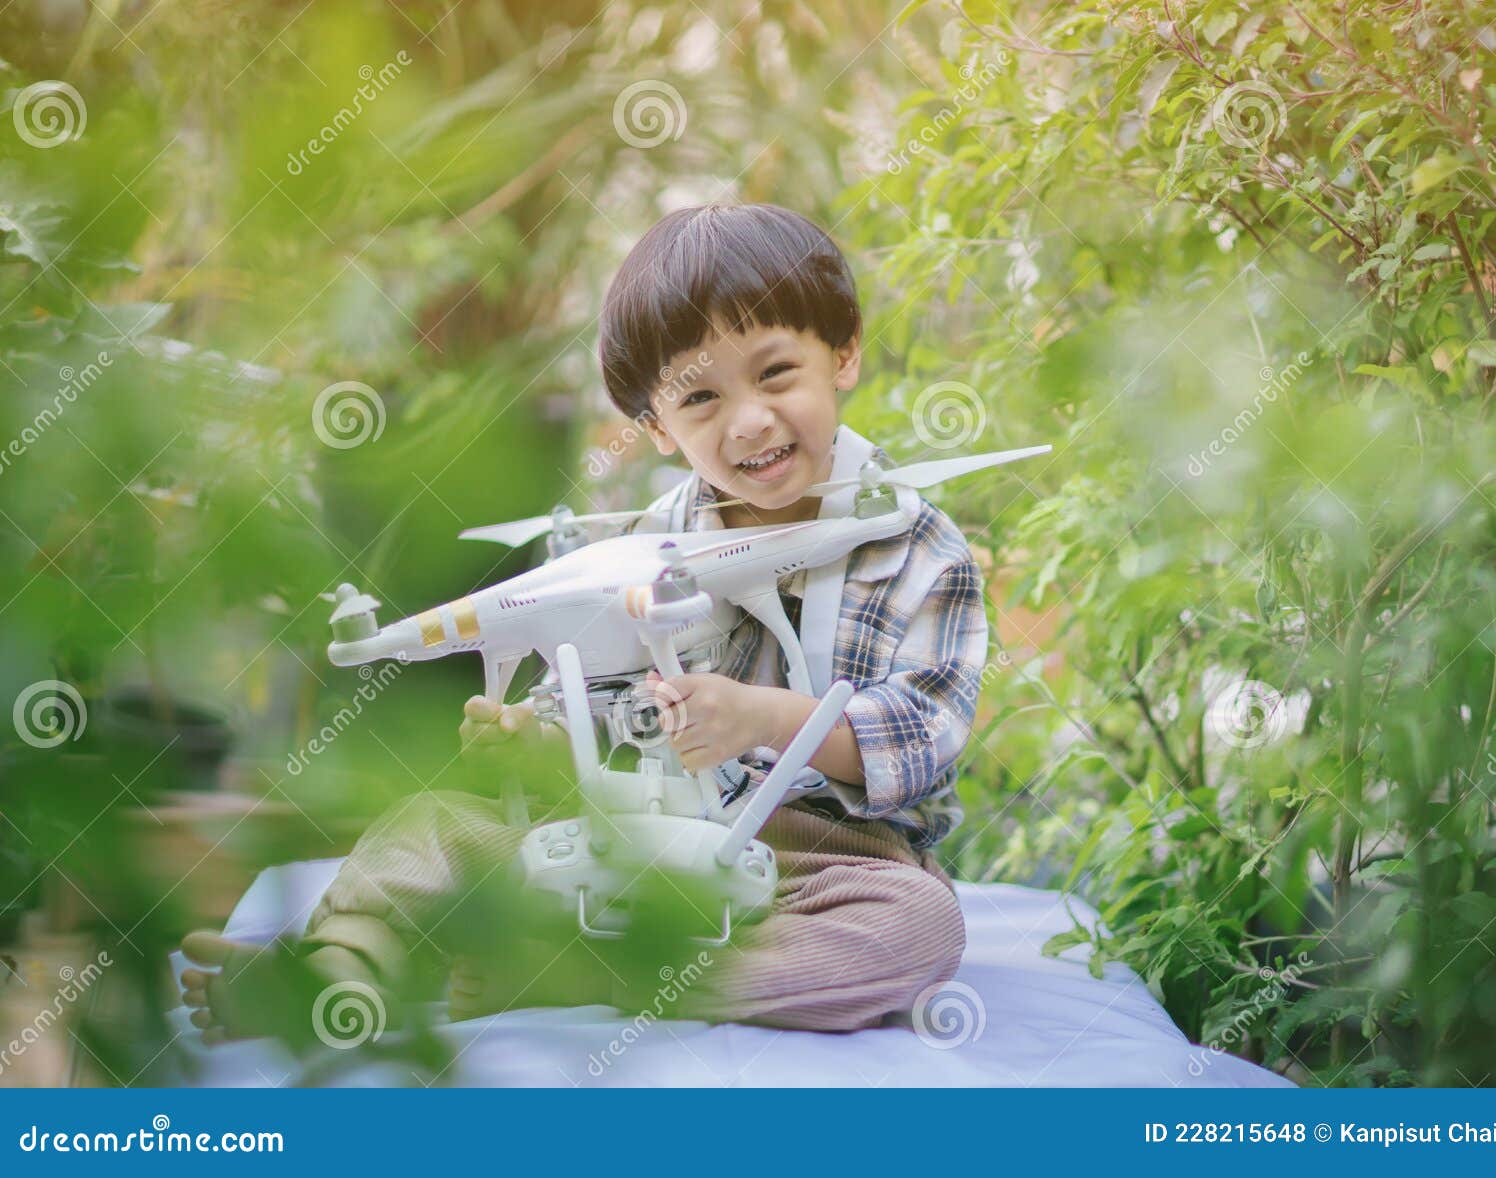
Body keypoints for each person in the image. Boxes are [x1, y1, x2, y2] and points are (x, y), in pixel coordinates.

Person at [179, 202, 989, 1041]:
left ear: (843, 353)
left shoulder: (915, 545)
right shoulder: (642, 544)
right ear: (657, 428)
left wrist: (761, 718)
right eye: (700, 397)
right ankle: (338, 972)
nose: (749, 420)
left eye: (777, 373)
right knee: (435, 824)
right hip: (649, 826)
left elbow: (924, 737)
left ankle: (588, 972)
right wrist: (539, 740)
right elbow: (605, 708)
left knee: (916, 925)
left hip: (824, 859)